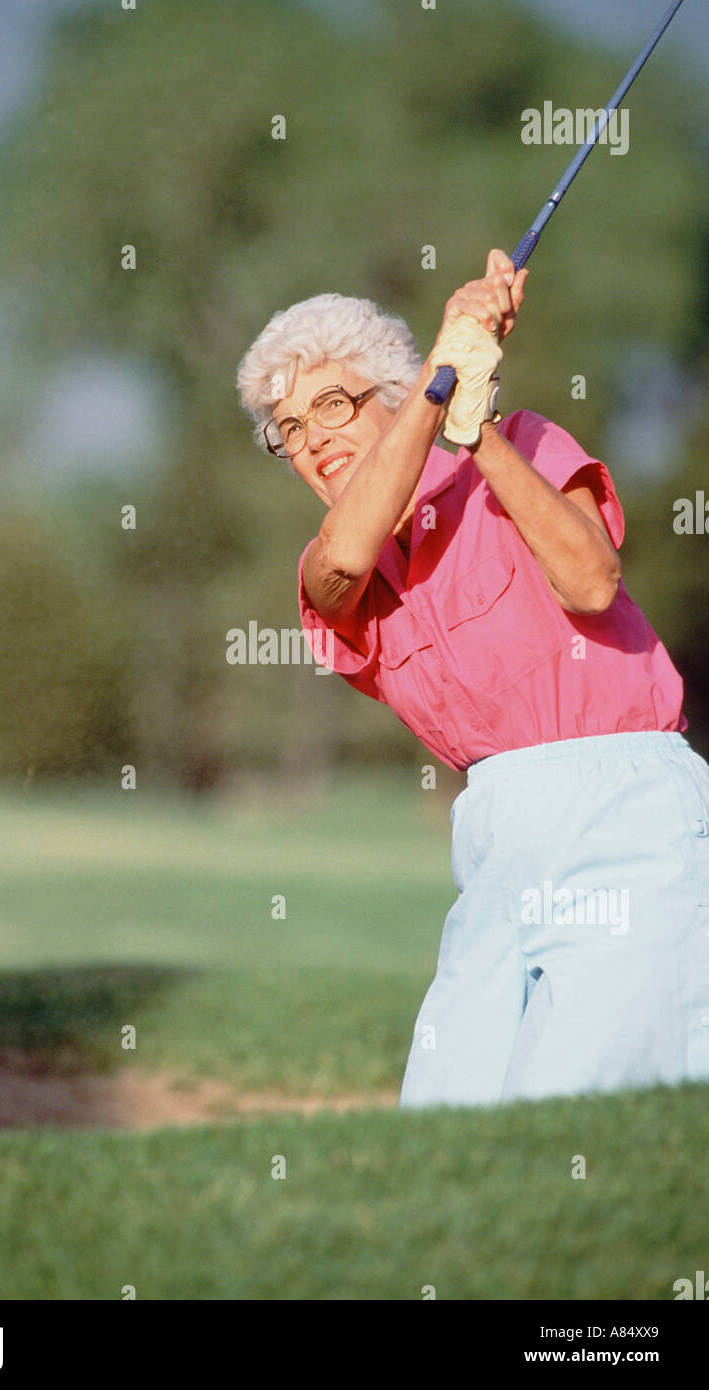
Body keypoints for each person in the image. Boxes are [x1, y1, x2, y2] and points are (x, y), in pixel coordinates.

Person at [236, 250, 709, 1109]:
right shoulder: (334, 568)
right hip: (493, 836)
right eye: (290, 429)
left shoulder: (522, 442)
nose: (312, 440)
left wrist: (476, 425)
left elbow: (591, 582)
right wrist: (440, 374)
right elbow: (344, 554)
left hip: (626, 813)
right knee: (444, 1114)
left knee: (581, 1110)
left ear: (386, 397)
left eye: (332, 405)